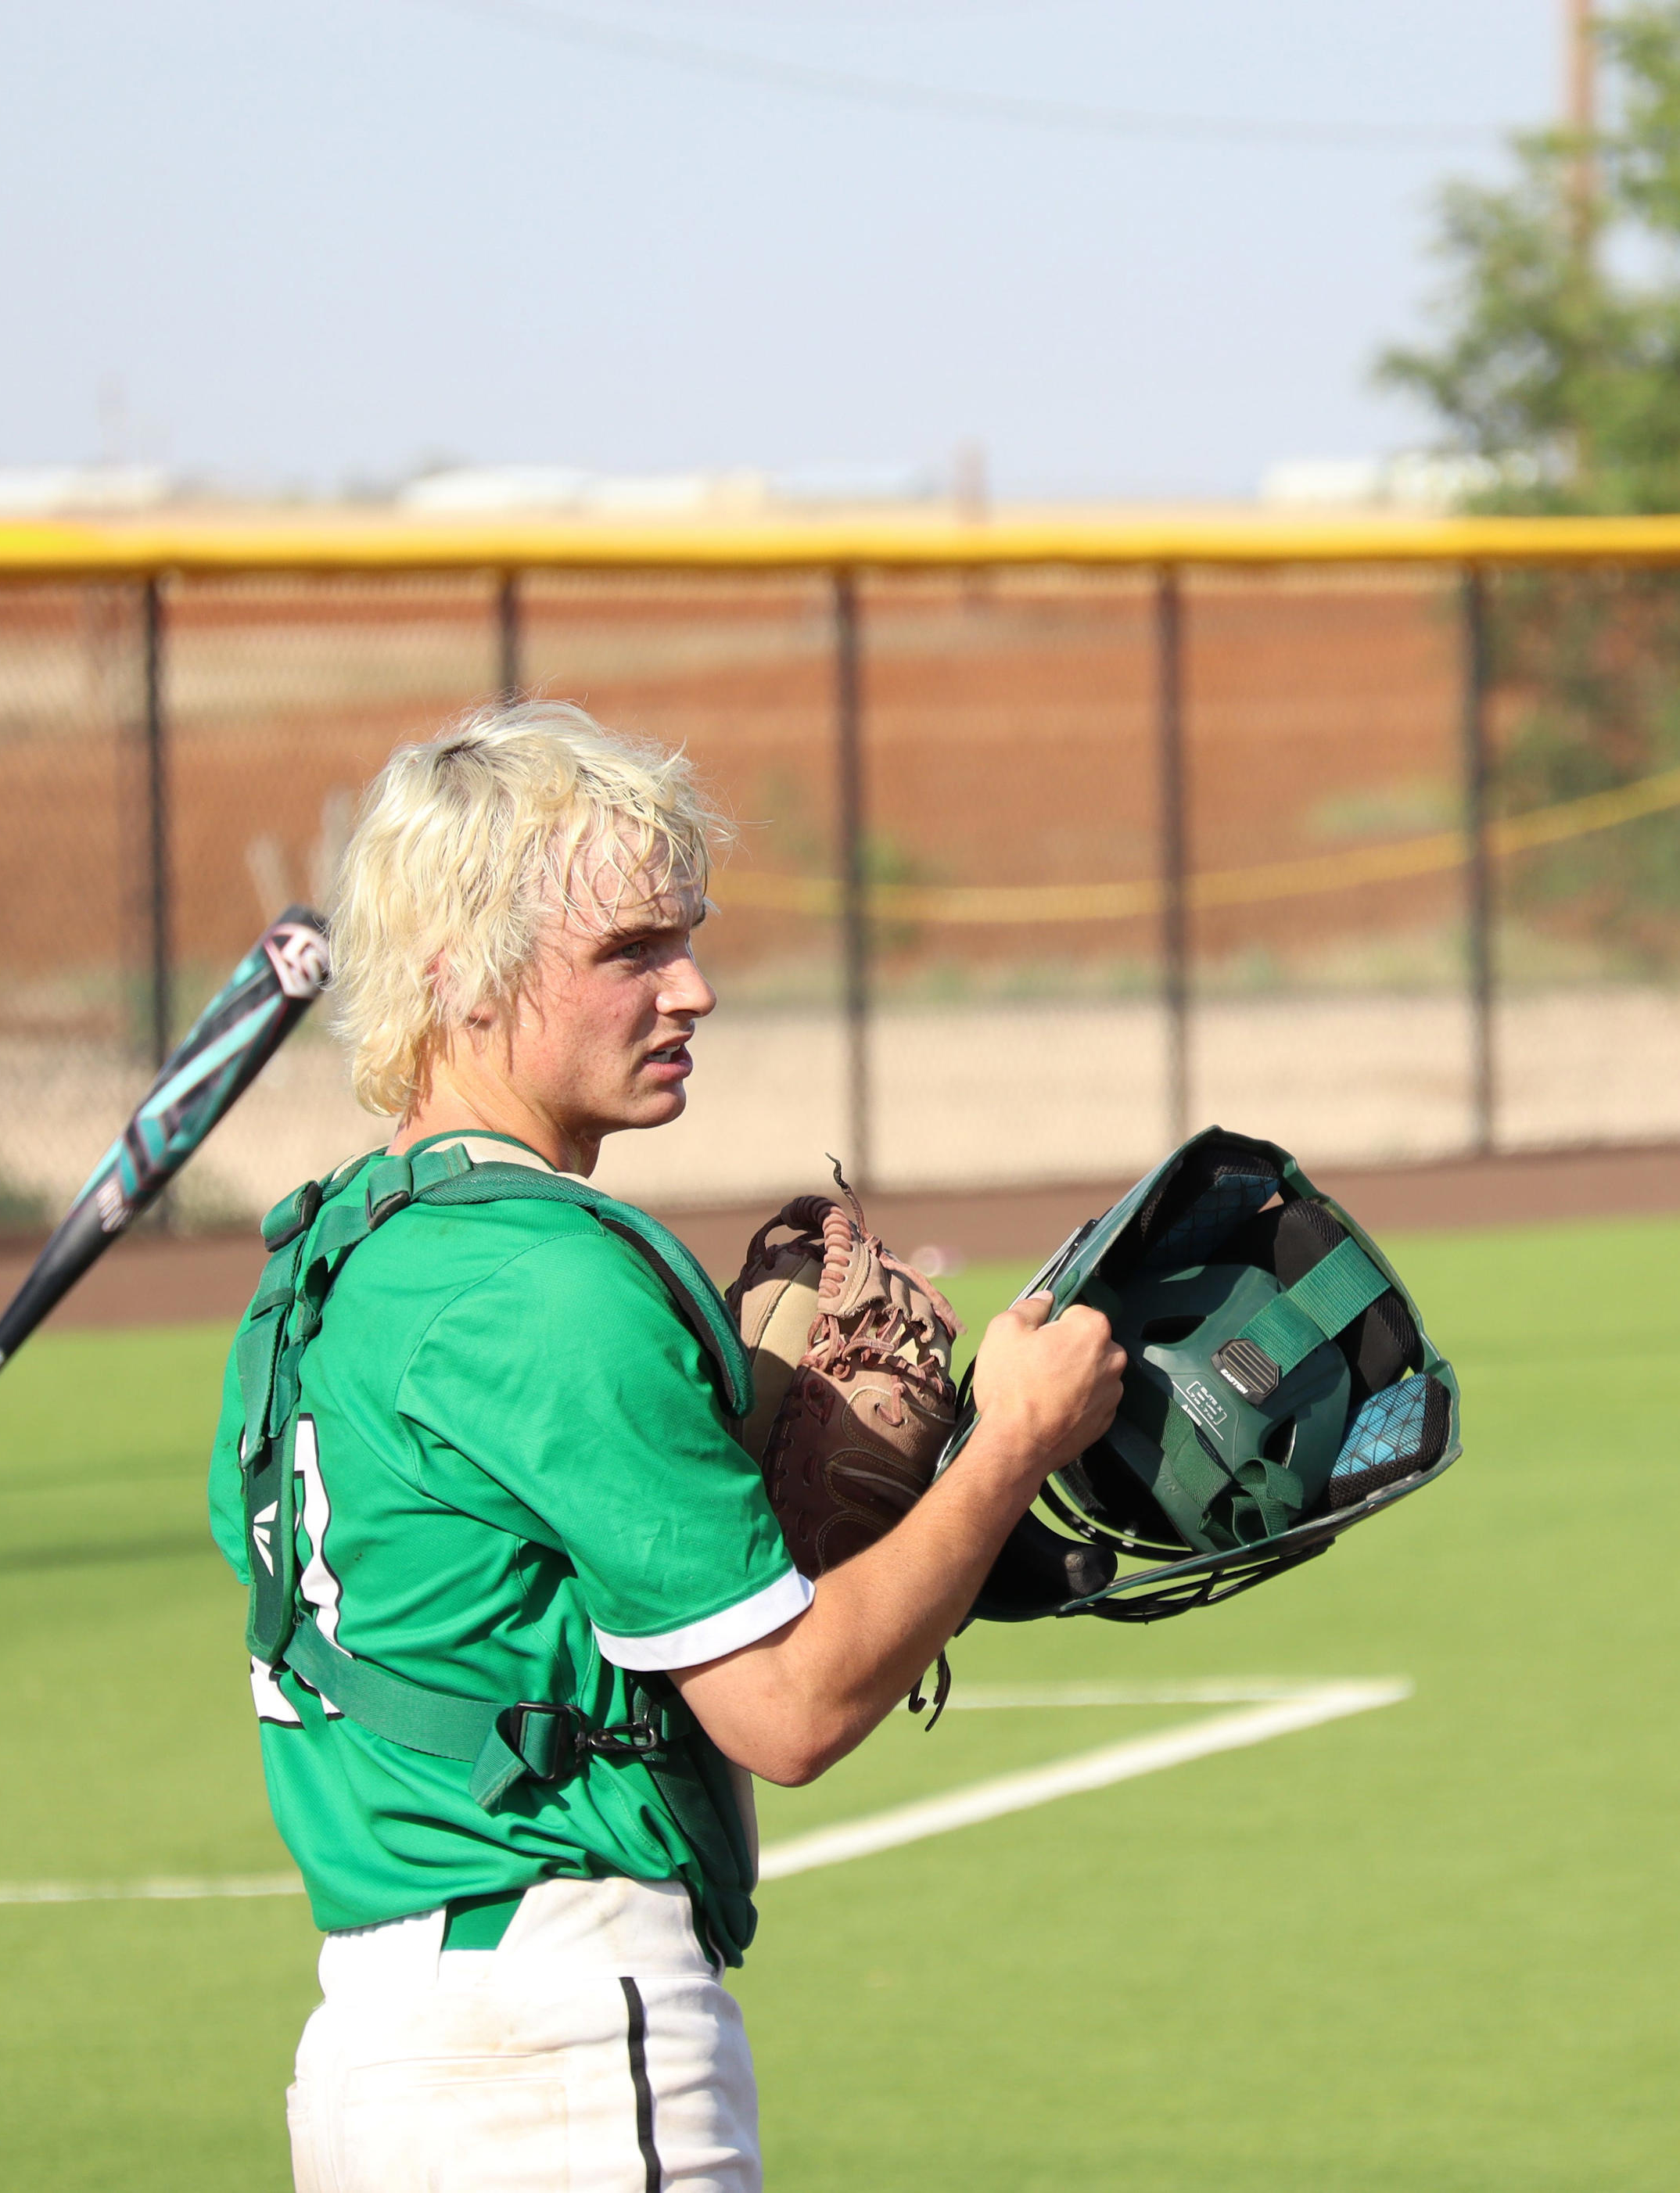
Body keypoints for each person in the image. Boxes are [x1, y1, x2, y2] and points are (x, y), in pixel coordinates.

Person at [212, 702, 1124, 2193]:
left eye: (686, 937)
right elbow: (784, 1710)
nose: (691, 988)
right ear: (465, 981)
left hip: (382, 2056)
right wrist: (1011, 1443)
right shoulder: (547, 1284)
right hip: (556, 2053)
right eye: (629, 952)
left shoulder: (326, 1262)